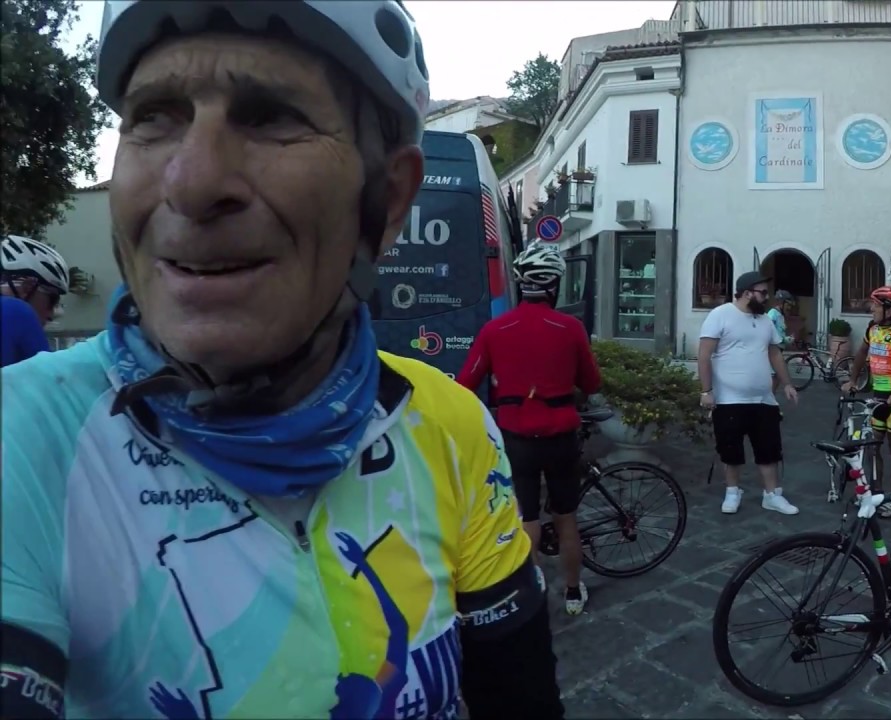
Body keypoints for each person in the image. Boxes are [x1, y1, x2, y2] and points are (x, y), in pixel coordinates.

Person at [0, 2, 563, 718]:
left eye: (270, 116)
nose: (192, 183)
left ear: (389, 202)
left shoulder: (447, 423)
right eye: (155, 116)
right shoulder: (21, 434)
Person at [457, 243, 601, 617]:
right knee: (566, 518)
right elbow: (592, 381)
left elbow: (464, 384)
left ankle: (532, 597)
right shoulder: (571, 328)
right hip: (561, 437)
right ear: (553, 285)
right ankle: (572, 592)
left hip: (517, 439)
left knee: (527, 520)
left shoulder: (495, 329)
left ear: (522, 284)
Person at [698, 271, 800, 516]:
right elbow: (704, 355)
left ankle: (772, 495)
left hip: (764, 399)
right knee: (730, 449)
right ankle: (732, 492)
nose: (767, 298)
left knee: (769, 449)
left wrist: (787, 383)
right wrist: (706, 391)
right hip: (728, 399)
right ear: (746, 293)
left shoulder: (765, 321)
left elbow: (775, 353)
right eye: (763, 293)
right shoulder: (720, 315)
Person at [840, 286, 891, 518]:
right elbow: (862, 353)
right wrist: (853, 380)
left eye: (875, 304)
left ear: (889, 310)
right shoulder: (872, 329)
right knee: (873, 448)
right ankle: (876, 493)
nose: (871, 308)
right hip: (876, 397)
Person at [1, 235, 68, 367]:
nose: (52, 314)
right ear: (27, 287)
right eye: (52, 299)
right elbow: (50, 381)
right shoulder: (15, 311)